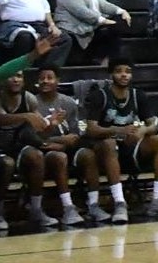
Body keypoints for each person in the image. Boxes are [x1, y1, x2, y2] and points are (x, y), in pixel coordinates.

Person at [83, 59, 158, 220]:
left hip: (131, 148)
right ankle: (119, 203)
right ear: (111, 74)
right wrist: (117, 130)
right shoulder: (99, 96)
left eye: (128, 71)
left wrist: (143, 131)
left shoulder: (138, 95)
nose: (124, 75)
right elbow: (91, 129)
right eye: (119, 71)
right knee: (110, 143)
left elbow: (153, 124)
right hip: (104, 151)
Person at [0, 70, 80, 227]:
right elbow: (0, 118)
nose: (16, 79)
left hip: (16, 147)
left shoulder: (28, 98)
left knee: (36, 155)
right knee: (7, 164)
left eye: (19, 76)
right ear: (2, 79)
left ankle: (36, 210)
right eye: (11, 75)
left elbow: (38, 129)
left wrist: (51, 124)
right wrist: (25, 116)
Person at [33, 64, 112, 223]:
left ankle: (94, 204)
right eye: (42, 78)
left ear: (58, 81)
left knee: (88, 155)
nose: (45, 81)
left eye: (49, 78)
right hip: (43, 151)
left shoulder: (69, 102)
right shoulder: (32, 103)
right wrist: (59, 140)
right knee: (59, 157)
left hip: (69, 148)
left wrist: (76, 135)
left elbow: (81, 127)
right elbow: (32, 136)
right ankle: (68, 208)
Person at [54, 0, 130, 67]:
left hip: (92, 24)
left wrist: (121, 11)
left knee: (120, 20)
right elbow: (81, 11)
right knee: (113, 29)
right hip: (76, 28)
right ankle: (108, 62)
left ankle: (107, 61)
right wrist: (103, 20)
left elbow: (104, 4)